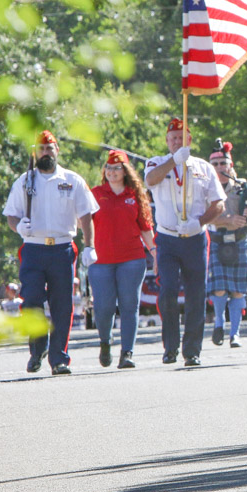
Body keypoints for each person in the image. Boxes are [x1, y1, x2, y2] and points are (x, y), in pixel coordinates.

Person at [3, 130, 99, 374]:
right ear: (35, 152)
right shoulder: (24, 181)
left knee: (62, 305)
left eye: (50, 148)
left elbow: (86, 215)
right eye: (41, 149)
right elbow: (11, 215)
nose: (46, 153)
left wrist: (90, 246)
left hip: (62, 248)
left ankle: (59, 358)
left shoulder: (72, 180)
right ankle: (38, 348)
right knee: (31, 300)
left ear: (58, 150)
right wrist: (18, 226)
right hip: (33, 248)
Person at [145, 118, 226, 366]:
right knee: (168, 290)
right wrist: (174, 161)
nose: (177, 141)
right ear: (167, 142)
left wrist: (200, 221)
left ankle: (192, 350)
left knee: (196, 294)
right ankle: (170, 346)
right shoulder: (157, 162)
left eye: (181, 137)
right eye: (173, 139)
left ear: (189, 140)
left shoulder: (203, 167)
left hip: (194, 238)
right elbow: (150, 180)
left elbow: (218, 203)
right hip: (167, 238)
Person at [89, 149, 155, 369]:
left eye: (117, 168)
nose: (112, 172)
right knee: (103, 307)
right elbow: (83, 222)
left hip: (132, 259)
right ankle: (105, 341)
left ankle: (127, 352)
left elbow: (145, 228)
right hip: (101, 261)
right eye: (109, 168)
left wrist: (155, 252)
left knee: (129, 305)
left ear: (125, 171)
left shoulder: (135, 195)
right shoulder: (96, 193)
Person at [206, 140, 247, 349]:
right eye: (215, 164)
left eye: (222, 163)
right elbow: (203, 217)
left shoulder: (242, 186)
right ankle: (219, 323)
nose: (219, 168)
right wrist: (227, 220)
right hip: (218, 240)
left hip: (239, 241)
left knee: (238, 291)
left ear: (230, 164)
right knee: (219, 289)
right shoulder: (205, 187)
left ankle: (235, 334)